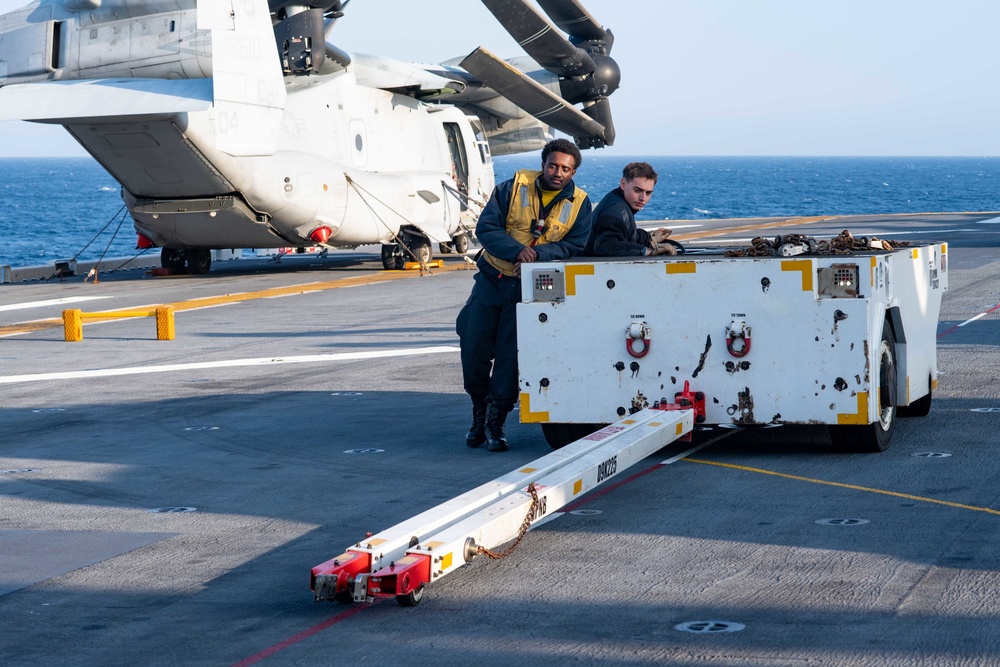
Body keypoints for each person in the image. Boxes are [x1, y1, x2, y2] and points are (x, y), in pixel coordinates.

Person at [457, 138, 593, 452]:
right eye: (553, 165)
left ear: (573, 172)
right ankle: (478, 411)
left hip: (529, 289)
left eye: (566, 169)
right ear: (543, 164)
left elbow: (576, 245)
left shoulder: (580, 204)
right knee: (473, 344)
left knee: (511, 356)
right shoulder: (511, 188)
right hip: (492, 279)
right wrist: (518, 252)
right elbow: (487, 228)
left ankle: (495, 423)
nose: (558, 172)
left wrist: (539, 256)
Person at [585, 162, 675, 257]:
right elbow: (606, 246)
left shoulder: (616, 199)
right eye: (637, 190)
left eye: (648, 193)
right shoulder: (616, 210)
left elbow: (626, 233)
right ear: (623, 184)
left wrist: (648, 237)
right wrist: (648, 251)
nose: (643, 198)